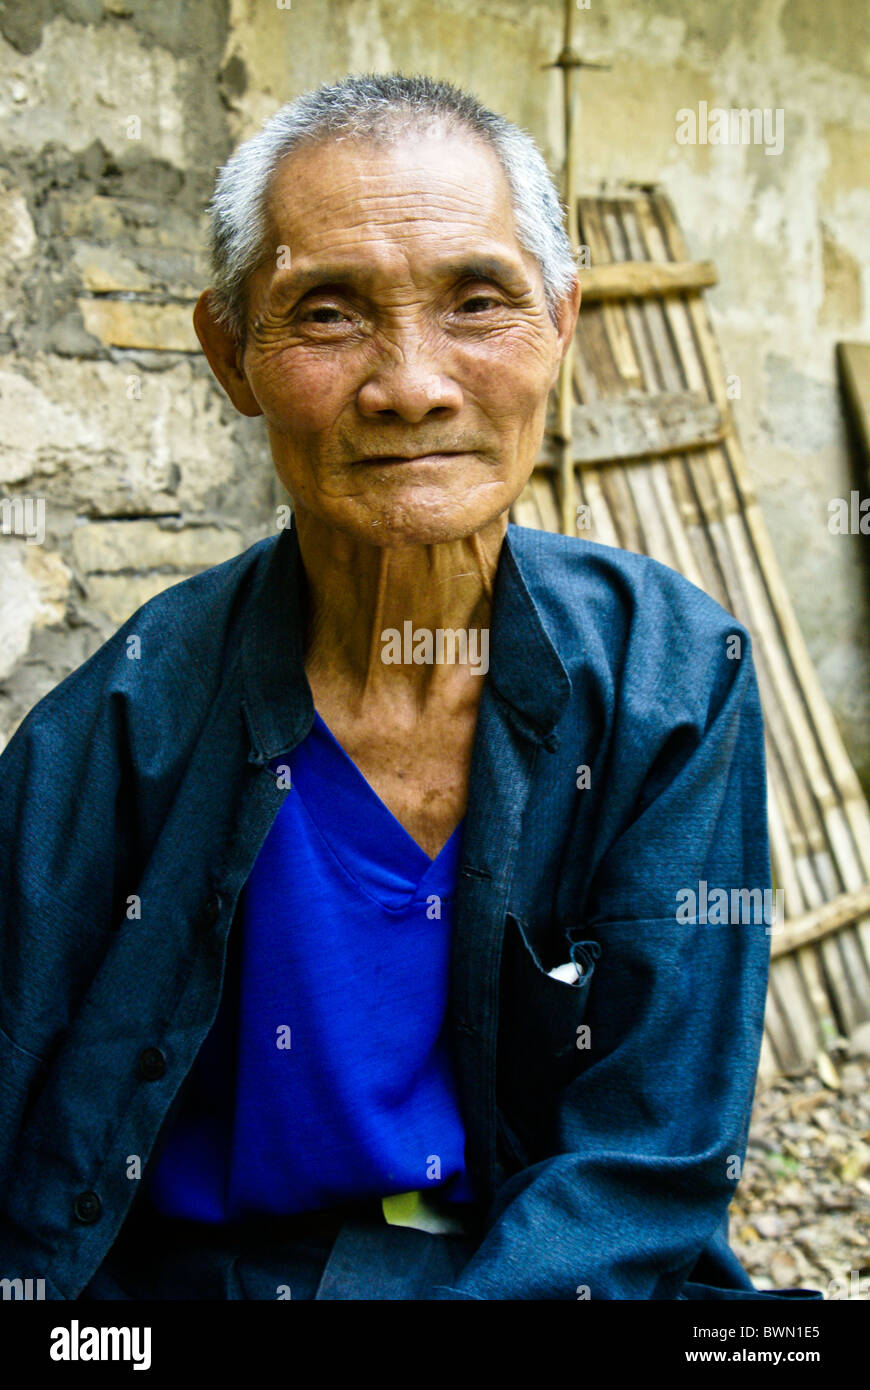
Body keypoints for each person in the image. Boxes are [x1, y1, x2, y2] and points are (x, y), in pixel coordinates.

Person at [0, 72, 821, 1301]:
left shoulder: (670, 681)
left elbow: (645, 1165)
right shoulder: (123, 722)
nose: (411, 383)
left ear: (560, 324)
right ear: (231, 353)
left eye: (477, 301)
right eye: (327, 314)